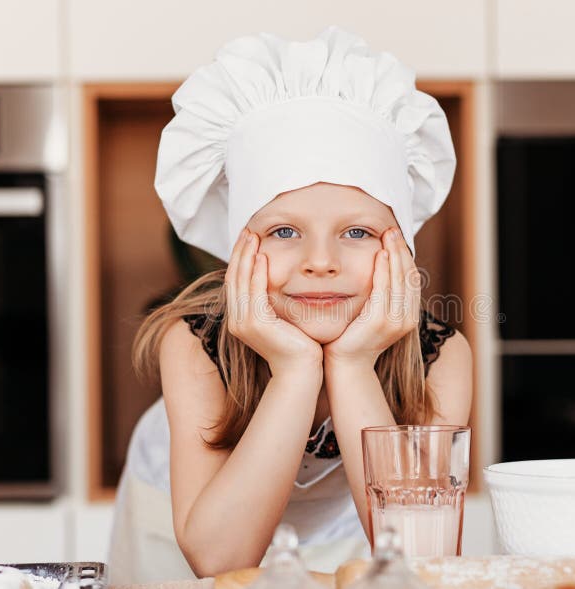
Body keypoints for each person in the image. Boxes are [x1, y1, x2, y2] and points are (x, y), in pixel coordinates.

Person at [107, 25, 473, 585]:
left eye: (356, 232)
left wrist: (350, 366)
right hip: (193, 520)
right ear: (239, 248)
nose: (319, 261)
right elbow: (220, 563)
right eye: (283, 231)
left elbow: (423, 561)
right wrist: (296, 368)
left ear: (400, 247)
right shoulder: (195, 343)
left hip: (355, 527)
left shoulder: (441, 357)